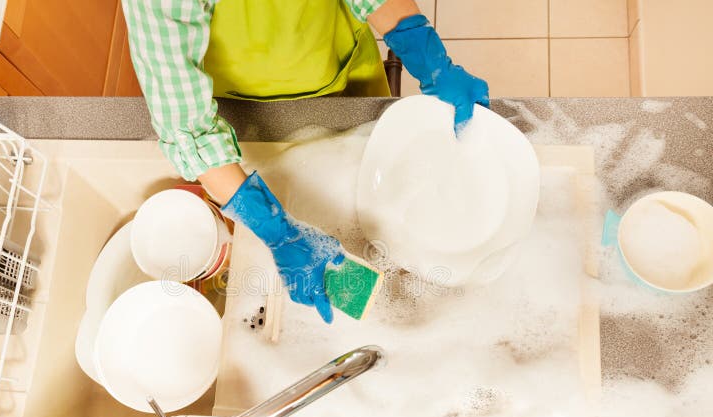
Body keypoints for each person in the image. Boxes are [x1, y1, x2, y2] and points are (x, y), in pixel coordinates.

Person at [122, 0, 489, 323]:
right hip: (248, 111)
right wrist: (277, 231)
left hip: (342, 67)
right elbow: (190, 130)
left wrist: (428, 57)